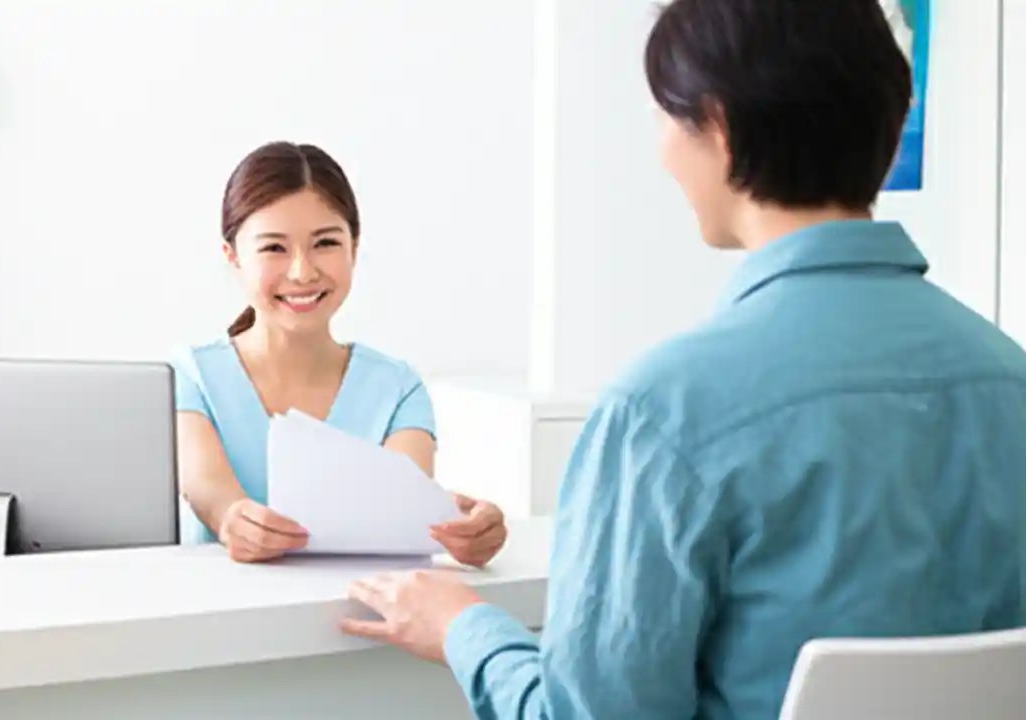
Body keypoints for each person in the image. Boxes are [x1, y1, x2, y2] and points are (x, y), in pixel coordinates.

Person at [340, 1, 1026, 718]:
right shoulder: (1010, 379)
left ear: (719, 127)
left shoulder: (664, 411)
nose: (661, 150)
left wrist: (464, 628)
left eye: (667, 117)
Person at [172, 141, 508, 566]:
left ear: (354, 245)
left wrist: (467, 525)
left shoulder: (398, 387)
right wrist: (232, 520)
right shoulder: (190, 376)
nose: (302, 271)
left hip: (360, 620)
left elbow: (400, 510)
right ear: (233, 257)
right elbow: (210, 493)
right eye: (274, 248)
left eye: (325, 243)